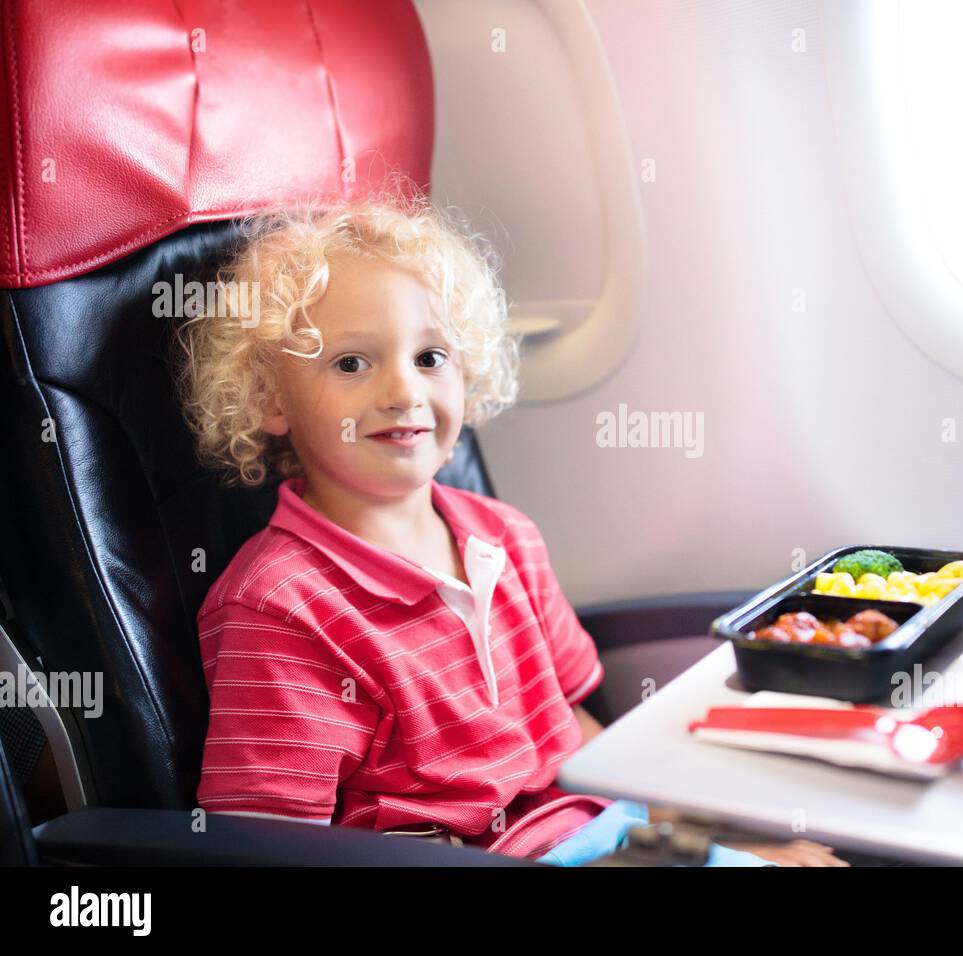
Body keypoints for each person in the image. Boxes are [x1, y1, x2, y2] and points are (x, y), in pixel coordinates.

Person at [174, 194, 845, 867]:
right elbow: (267, 849)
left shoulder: (506, 539)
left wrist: (707, 830)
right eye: (352, 363)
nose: (404, 391)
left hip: (604, 828)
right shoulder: (281, 608)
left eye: (430, 357)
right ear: (269, 400)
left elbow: (569, 723)